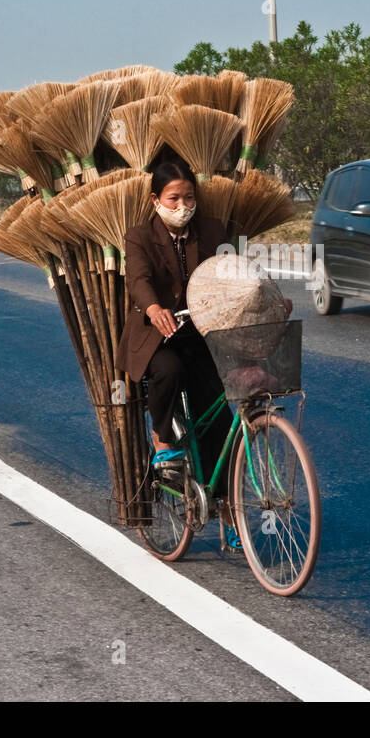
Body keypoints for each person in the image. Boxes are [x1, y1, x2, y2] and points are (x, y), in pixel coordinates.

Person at [116, 160, 243, 547]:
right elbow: (137, 278)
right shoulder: (138, 236)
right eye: (174, 197)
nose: (183, 203)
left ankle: (226, 511)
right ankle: (162, 442)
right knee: (168, 371)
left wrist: (264, 294)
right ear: (156, 200)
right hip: (156, 338)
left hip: (199, 334)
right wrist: (154, 309)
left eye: (189, 196)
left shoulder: (212, 229)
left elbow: (234, 269)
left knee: (220, 416)